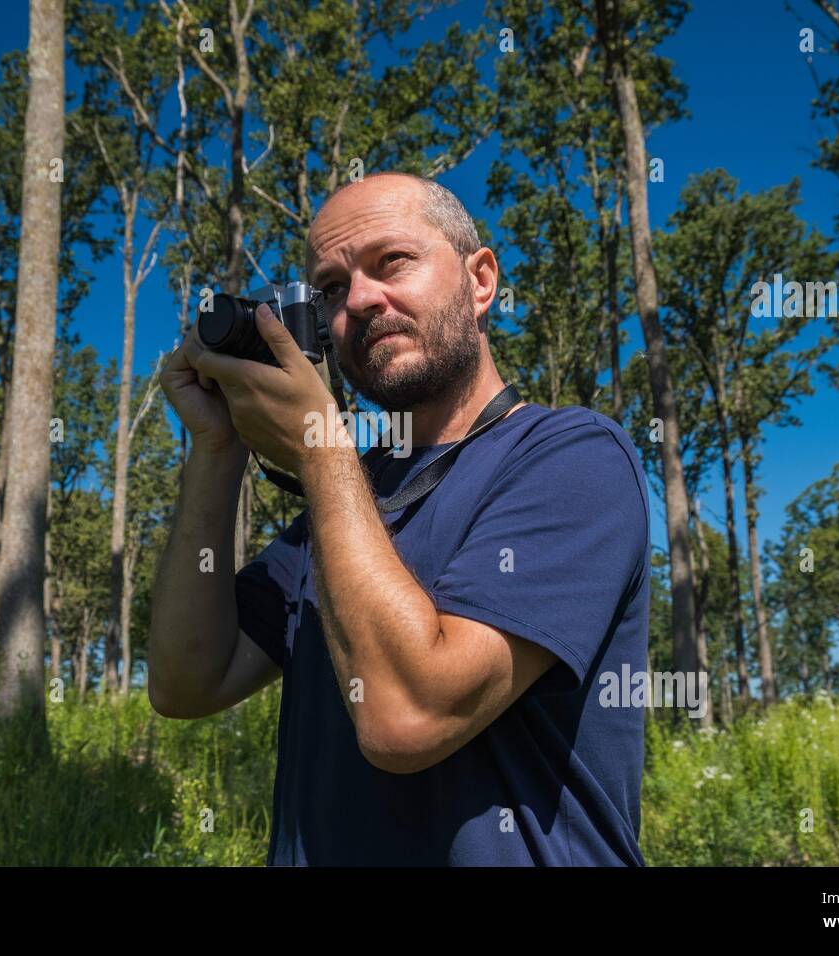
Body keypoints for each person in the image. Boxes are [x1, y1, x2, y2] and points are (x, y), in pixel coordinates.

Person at [149, 170, 649, 866]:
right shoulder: (349, 503)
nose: (360, 300)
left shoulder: (572, 458)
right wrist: (216, 448)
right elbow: (185, 682)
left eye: (392, 263)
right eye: (330, 288)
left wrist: (319, 449)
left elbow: (406, 719)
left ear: (480, 281)